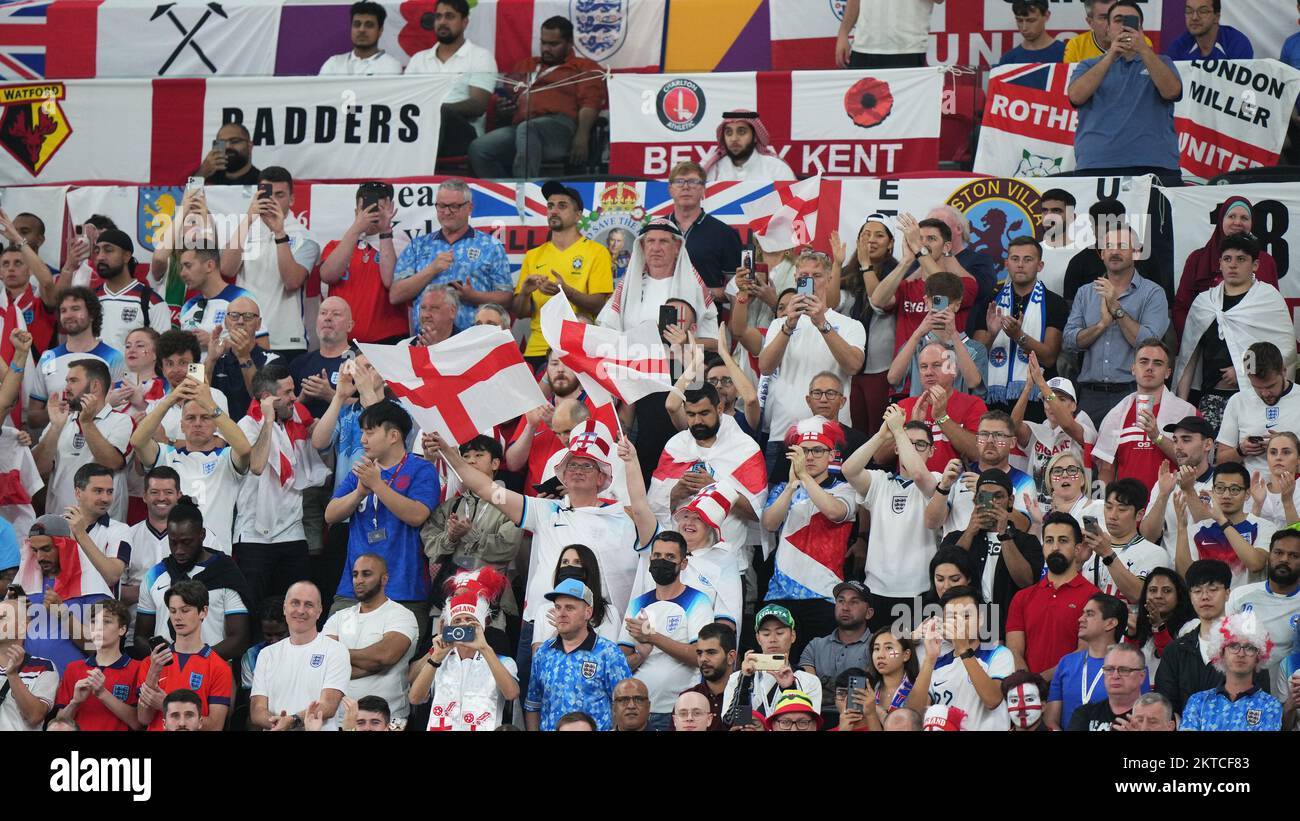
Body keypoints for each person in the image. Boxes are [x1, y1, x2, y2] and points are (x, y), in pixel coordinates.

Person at [428, 427, 656, 694]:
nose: (577, 470)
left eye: (587, 465)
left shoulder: (623, 516)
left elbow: (642, 507)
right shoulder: (545, 510)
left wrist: (631, 463)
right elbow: (487, 489)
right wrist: (449, 454)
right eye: (571, 465)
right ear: (561, 474)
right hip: (541, 625)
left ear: (602, 476)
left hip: (600, 623)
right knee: (534, 702)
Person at [325, 401, 438, 644]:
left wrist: (377, 485)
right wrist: (358, 494)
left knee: (391, 665)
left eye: (370, 432)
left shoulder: (421, 469)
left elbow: (417, 514)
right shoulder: (360, 471)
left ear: (394, 436)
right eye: (362, 432)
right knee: (332, 657)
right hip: (352, 589)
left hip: (403, 588)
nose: (363, 439)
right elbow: (330, 514)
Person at [762, 417, 865, 654]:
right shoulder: (782, 488)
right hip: (780, 592)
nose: (809, 457)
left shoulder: (844, 488)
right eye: (804, 451)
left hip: (824, 594)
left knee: (816, 671)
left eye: (818, 450)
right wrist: (790, 486)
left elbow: (835, 512)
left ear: (832, 455)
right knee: (777, 668)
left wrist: (805, 478)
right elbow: (769, 523)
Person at [758, 248, 865, 463]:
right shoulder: (779, 324)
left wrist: (822, 324)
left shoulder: (850, 325)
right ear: (796, 279)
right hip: (785, 433)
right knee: (782, 495)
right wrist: (789, 325)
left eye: (816, 276)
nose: (811, 282)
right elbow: (765, 367)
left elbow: (854, 365)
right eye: (804, 277)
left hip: (832, 435)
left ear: (829, 278)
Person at [1176, 236, 1292, 431]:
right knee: (1212, 457)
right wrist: (1181, 406)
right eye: (1227, 259)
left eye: (1241, 259)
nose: (1233, 265)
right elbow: (1189, 357)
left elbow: (1283, 349)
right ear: (1219, 263)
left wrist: (1243, 370)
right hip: (1211, 399)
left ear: (1254, 265)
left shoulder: (1267, 298)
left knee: (1253, 455)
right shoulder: (1204, 302)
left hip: (1256, 399)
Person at [1064, 225, 1174, 427]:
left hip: (1134, 392)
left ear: (1136, 252)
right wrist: (1101, 325)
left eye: (1122, 246)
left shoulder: (1153, 293)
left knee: (1132, 456)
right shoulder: (1085, 292)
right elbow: (1069, 342)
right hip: (1090, 395)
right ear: (1102, 253)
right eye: (1109, 246)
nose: (1114, 252)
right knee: (1087, 456)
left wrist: (1115, 307)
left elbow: (1149, 343)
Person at [468, 15, 606, 177]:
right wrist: (504, 108)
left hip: (561, 128)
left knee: (527, 130)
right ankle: (504, 195)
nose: (546, 49)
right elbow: (509, 96)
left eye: (553, 44)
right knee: (479, 148)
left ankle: (524, 193)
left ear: (569, 43)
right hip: (521, 125)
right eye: (543, 43)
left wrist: (582, 137)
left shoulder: (584, 67)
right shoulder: (526, 65)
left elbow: (590, 103)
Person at [235, 363, 323, 617]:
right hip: (254, 536)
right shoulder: (247, 425)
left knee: (298, 611)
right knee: (253, 612)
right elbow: (258, 465)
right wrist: (268, 421)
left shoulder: (296, 421)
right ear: (267, 398)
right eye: (287, 392)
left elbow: (320, 470)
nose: (294, 397)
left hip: (293, 533)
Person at [130, 374, 253, 552]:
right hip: (174, 555)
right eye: (190, 418)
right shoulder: (166, 455)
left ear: (216, 424)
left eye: (205, 418)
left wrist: (210, 404)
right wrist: (170, 399)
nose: (197, 424)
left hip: (215, 556)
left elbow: (244, 449)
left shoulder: (226, 458)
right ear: (181, 425)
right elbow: (137, 441)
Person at [842, 410, 940, 626]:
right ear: (896, 448)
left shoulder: (937, 480)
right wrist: (881, 436)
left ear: (932, 451)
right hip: (876, 589)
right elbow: (848, 469)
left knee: (914, 656)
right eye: (906, 443)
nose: (911, 449)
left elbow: (918, 474)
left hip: (919, 590)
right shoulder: (880, 481)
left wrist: (899, 431)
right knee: (880, 655)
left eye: (920, 445)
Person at [1067, 2, 1183, 181]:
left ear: (1141, 28)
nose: (1124, 26)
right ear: (1108, 29)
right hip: (1097, 165)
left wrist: (1143, 48)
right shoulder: (1088, 65)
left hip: (1156, 166)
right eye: (1118, 20)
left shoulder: (1162, 62)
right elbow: (1076, 96)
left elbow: (1172, 92)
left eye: (1130, 21)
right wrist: (1111, 55)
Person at [647, 382, 765, 555]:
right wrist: (675, 494)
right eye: (691, 414)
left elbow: (758, 513)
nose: (697, 421)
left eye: (704, 413)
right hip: (678, 559)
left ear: (719, 408)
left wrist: (715, 489)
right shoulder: (675, 446)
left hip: (726, 559)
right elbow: (651, 507)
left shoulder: (745, 449)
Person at [618, 532, 715, 731]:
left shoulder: (698, 601)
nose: (662, 562)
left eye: (670, 557)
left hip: (679, 712)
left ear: (684, 563)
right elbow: (620, 662)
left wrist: (653, 637)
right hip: (638, 712)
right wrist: (641, 656)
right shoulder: (638, 603)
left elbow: (700, 656)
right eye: (657, 556)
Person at [134, 501, 252, 664]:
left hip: (213, 672)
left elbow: (240, 638)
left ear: (202, 535)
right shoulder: (154, 575)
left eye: (186, 542)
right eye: (173, 542)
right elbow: (140, 637)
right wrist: (168, 658)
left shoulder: (226, 573)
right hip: (167, 671)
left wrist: (196, 661)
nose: (179, 550)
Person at [391, 179, 512, 337]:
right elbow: (396, 295)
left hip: (474, 342)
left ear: (469, 207)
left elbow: (507, 298)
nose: (447, 212)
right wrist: (432, 269)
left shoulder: (490, 246)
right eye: (442, 206)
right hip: (427, 341)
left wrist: (474, 296)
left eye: (454, 206)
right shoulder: (418, 246)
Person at [223, 167, 321, 361]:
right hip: (244, 338)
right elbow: (227, 269)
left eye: (280, 195)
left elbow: (292, 281)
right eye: (267, 194)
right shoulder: (245, 230)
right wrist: (249, 219)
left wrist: (279, 233)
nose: (273, 200)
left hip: (286, 340)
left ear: (292, 199)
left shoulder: (305, 237)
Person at [422, 435, 522, 619]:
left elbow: (507, 549)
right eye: (465, 456)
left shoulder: (511, 503)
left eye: (478, 455)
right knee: (442, 646)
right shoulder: (451, 505)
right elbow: (430, 548)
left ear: (495, 463)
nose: (471, 461)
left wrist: (470, 534)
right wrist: (450, 537)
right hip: (448, 599)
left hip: (491, 601)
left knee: (487, 646)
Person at [513, 183, 614, 365]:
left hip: (578, 347)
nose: (553, 211)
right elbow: (521, 313)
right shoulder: (533, 255)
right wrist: (525, 292)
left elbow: (599, 306)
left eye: (562, 206)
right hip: (537, 347)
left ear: (578, 215)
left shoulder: (597, 252)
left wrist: (567, 291)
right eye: (550, 206)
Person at [939, 469, 1043, 640]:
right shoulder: (955, 538)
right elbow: (946, 572)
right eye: (984, 497)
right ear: (975, 500)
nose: (992, 503)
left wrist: (1004, 535)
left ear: (1010, 501)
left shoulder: (1027, 542)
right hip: (965, 625)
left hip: (1011, 626)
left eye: (998, 497)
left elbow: (1026, 581)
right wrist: (970, 532)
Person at [969, 237, 1067, 418]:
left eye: (1028, 259)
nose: (1020, 264)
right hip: (992, 398)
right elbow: (973, 358)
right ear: (1007, 263)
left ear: (1040, 266)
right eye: (1015, 259)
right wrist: (991, 335)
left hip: (1036, 399)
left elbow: (1049, 357)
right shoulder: (991, 301)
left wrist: (1019, 336)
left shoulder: (1054, 303)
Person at [1156, 559, 1266, 714]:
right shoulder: (1175, 651)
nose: (1205, 597)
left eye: (1213, 589)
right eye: (1197, 591)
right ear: (1190, 596)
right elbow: (1164, 705)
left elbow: (1260, 705)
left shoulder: (1249, 649)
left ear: (1228, 593)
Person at [524, 578, 631, 731]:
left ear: (588, 612)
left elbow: (625, 707)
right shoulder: (543, 653)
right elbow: (533, 705)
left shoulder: (609, 653)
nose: (561, 614)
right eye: (557, 607)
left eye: (569, 608)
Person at [32, 358, 132, 521]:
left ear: (95, 386)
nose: (66, 387)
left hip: (103, 529)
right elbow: (37, 469)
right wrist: (56, 428)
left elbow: (112, 463)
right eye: (67, 381)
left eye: (73, 381)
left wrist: (86, 422)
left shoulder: (121, 421)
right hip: (59, 524)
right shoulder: (60, 420)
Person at [872, 216, 979, 366]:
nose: (923, 244)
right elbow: (878, 300)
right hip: (906, 379)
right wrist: (906, 261)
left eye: (931, 239)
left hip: (945, 376)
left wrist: (918, 248)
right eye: (919, 239)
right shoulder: (907, 285)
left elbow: (944, 287)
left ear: (946, 247)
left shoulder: (964, 284)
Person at [323, 554, 418, 723]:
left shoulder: (401, 615)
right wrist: (375, 665)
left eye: (366, 574)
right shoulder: (338, 618)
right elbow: (324, 666)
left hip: (390, 718)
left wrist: (339, 654)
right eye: (355, 574)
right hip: (341, 720)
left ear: (384, 579)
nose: (358, 580)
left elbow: (384, 656)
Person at [1091, 339, 1195, 488]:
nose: (1150, 368)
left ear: (1167, 373)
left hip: (1172, 505)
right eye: (1143, 362)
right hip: (1127, 507)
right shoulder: (1115, 415)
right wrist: (1099, 507)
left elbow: (1193, 461)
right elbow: (1105, 469)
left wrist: (1157, 436)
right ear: (1133, 368)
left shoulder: (1187, 412)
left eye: (1157, 363)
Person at [1006, 512, 1099, 676]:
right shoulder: (1022, 597)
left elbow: (1084, 653)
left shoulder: (1093, 597)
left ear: (1077, 549)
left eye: (1063, 540)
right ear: (1043, 547)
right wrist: (1029, 686)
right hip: (1029, 694)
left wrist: (1042, 680)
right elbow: (1014, 651)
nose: (1055, 547)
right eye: (1049, 541)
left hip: (1072, 694)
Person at [1173, 197, 1280, 339]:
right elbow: (1182, 308)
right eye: (1231, 216)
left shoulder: (1265, 261)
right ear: (1221, 220)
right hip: (1208, 350)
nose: (1237, 222)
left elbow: (1274, 310)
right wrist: (1197, 342)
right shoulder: (1198, 259)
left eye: (1244, 218)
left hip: (1254, 347)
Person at [134, 579, 234, 731]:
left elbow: (215, 726)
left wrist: (166, 704)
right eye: (173, 611)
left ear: (203, 612)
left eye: (185, 610)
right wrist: (153, 673)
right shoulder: (151, 663)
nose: (177, 617)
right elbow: (143, 718)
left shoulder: (219, 667)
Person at [251, 581, 351, 731]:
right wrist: (277, 724)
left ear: (319, 611)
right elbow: (257, 710)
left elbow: (328, 705)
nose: (301, 610)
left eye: (309, 605)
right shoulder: (267, 654)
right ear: (285, 608)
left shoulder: (335, 650)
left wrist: (291, 721)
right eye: (295, 603)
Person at [18, 515, 112, 674]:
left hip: (74, 686)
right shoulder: (25, 583)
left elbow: (98, 647)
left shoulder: (91, 585)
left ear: (65, 546)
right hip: (28, 685)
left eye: (46, 549)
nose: (40, 557)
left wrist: (62, 613)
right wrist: (19, 618)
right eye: (35, 550)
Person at [913, 586, 1014, 731]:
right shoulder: (937, 662)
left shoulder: (999, 654)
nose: (958, 622)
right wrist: (929, 660)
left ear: (980, 619)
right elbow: (914, 715)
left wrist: (963, 650)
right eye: (951, 617)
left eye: (966, 616)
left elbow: (993, 700)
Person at [599, 219, 719, 342]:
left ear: (677, 246)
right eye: (650, 241)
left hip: (679, 360)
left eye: (663, 241)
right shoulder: (628, 287)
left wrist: (686, 341)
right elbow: (606, 331)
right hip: (631, 358)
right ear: (642, 246)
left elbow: (715, 342)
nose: (656, 248)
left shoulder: (693, 287)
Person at [319, 183, 409, 345]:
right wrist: (356, 229)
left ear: (389, 211)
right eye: (366, 208)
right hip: (342, 342)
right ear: (356, 212)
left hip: (388, 340)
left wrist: (385, 231)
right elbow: (328, 275)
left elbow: (391, 282)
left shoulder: (401, 244)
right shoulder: (336, 246)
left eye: (379, 208)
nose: (372, 213)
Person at [405, 0, 499, 154]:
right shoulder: (418, 59)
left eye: (449, 16)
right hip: (419, 128)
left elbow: (478, 105)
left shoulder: (480, 56)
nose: (442, 22)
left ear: (464, 22)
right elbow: (405, 99)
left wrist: (436, 110)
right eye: (438, 16)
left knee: (441, 114)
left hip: (464, 134)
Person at [27, 287, 125, 430]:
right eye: (63, 310)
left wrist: (95, 408)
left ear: (92, 314)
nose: (68, 315)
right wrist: (55, 412)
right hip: (56, 447)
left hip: (98, 445)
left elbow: (121, 412)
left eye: (75, 308)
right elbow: (32, 419)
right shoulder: (48, 358)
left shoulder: (114, 356)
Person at [927, 410, 1037, 536]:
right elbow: (932, 523)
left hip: (1001, 555)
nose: (990, 440)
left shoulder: (1024, 481)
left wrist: (987, 494)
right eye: (984, 434)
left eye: (998, 435)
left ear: (1012, 442)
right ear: (977, 439)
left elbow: (1023, 526)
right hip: (957, 554)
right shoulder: (957, 475)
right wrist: (943, 488)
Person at [886, 272, 987, 399]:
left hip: (956, 416)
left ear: (958, 304)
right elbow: (893, 378)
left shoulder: (975, 349)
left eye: (947, 303)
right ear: (926, 301)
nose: (942, 309)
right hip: (921, 415)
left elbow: (973, 382)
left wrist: (954, 335)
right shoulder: (915, 344)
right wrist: (918, 333)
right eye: (937, 302)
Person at [1046, 592, 1135, 729]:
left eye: (1089, 614)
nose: (1080, 619)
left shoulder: (1132, 666)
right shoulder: (1066, 663)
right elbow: (1051, 721)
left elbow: (1137, 716)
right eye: (1083, 613)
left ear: (1110, 623)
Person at [1177, 463, 1274, 589]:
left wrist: (1222, 521)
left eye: (1234, 489)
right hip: (1208, 604)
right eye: (1220, 488)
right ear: (1213, 491)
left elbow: (1256, 564)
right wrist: (1181, 528)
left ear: (1247, 494)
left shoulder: (1263, 526)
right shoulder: (1199, 530)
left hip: (1248, 605)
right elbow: (1186, 576)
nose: (1226, 495)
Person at [1227, 529, 1300, 696]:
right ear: (1269, 555)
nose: (1284, 559)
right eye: (1278, 552)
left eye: (1293, 556)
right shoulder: (1240, 595)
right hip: (1244, 694)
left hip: (1290, 696)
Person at [1181, 611, 1281, 730]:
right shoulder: (1198, 702)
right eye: (1233, 646)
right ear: (1221, 652)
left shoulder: (1270, 705)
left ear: (1258, 656)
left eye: (1249, 648)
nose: (1241, 653)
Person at [721, 605, 823, 722]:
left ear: (793, 636)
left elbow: (806, 725)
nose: (773, 639)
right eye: (766, 634)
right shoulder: (737, 678)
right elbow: (734, 724)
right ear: (758, 639)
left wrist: (789, 688)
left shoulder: (809, 681)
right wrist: (745, 681)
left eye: (779, 633)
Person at [53, 599, 142, 731]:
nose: (98, 627)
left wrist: (102, 693)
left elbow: (138, 723)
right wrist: (75, 702)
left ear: (122, 629)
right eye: (94, 621)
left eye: (107, 621)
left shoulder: (137, 668)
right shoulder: (73, 668)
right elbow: (59, 724)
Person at [1218, 342, 1300, 480]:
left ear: (1284, 371)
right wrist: (1241, 450)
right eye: (1257, 387)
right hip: (1253, 493)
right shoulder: (1238, 401)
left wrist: (1284, 446)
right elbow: (1221, 460)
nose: (1265, 393)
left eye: (1271, 386)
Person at [664, 162, 743, 301]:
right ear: (670, 190)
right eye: (679, 181)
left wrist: (702, 293)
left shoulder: (724, 234)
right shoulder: (654, 230)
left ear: (703, 189)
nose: (686, 187)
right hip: (656, 316)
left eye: (693, 182)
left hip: (706, 319)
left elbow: (739, 290)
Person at [1080, 478, 1167, 603]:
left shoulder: (1155, 554)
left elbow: (1139, 595)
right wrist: (1078, 562)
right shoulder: (1090, 548)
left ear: (1139, 515)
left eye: (1122, 509)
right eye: (1108, 507)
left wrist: (1107, 554)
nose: (1112, 516)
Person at [1011, 366, 1096, 491]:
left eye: (1061, 399)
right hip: (1035, 507)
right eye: (1047, 399)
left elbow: (1067, 424)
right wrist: (1028, 387)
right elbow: (1013, 426)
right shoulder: (1037, 431)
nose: (1052, 405)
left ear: (1073, 405)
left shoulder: (1084, 429)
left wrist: (1041, 383)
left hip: (1070, 507)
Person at [1141, 417, 1215, 557]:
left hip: (1208, 573)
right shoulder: (1165, 483)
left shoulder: (1221, 483)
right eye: (1175, 440)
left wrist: (1189, 491)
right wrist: (1163, 495)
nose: (1178, 447)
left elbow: (1212, 533)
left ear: (1207, 445)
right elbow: (1148, 536)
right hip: (1170, 574)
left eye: (1186, 440)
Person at [88, 229, 171, 353]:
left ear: (126, 256)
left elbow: (162, 353)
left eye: (108, 250)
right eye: (97, 251)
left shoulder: (152, 301)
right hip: (93, 372)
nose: (100, 257)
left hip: (133, 373)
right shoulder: (89, 300)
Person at [203, 294, 279, 420]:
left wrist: (244, 357)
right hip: (221, 434)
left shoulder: (273, 359)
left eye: (248, 316)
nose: (240, 321)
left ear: (258, 324)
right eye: (234, 316)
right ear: (226, 322)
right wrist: (210, 359)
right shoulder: (216, 359)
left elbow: (262, 399)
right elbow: (196, 398)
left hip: (258, 430)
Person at [799, 581, 874, 699]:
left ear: (869, 613)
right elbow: (810, 692)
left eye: (854, 602)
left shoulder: (877, 647)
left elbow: (865, 693)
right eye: (841, 601)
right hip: (818, 715)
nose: (845, 608)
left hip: (859, 714)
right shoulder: (815, 646)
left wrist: (825, 686)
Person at [153, 330, 230, 440]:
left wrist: (166, 442)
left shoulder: (215, 396)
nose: (176, 370)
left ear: (196, 365)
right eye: (169, 364)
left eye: (183, 363)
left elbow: (217, 443)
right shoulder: (155, 408)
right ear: (162, 369)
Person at [288, 297, 352, 421]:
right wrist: (301, 399)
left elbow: (371, 404)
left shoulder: (358, 360)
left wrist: (330, 395)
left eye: (336, 314)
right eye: (323, 313)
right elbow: (283, 408)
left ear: (349, 326)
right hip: (304, 435)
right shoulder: (299, 363)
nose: (328, 318)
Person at [0, 598, 58, 731]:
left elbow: (34, 717)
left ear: (23, 626)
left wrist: (13, 675)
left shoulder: (44, 667)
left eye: (2, 617)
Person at [0, 220, 57, 354]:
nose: (11, 268)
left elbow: (47, 282)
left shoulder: (39, 301)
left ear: (31, 270)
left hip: (37, 372)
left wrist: (18, 238)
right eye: (6, 264)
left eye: (18, 263)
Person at [835, 0, 941, 68]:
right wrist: (843, 33)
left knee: (903, 103)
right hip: (863, 47)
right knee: (860, 102)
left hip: (908, 49)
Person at [1066, 643, 1148, 730]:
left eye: (1124, 670)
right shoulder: (1085, 713)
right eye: (1109, 669)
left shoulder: (1153, 717)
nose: (1115, 676)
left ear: (1141, 676)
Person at [701, 110, 795, 183]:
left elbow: (791, 205)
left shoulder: (777, 168)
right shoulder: (713, 169)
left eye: (741, 132)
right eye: (729, 132)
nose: (734, 138)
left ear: (755, 137)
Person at [318, 1, 402, 75]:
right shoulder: (333, 63)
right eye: (357, 24)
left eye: (369, 25)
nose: (361, 30)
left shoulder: (391, 66)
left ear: (380, 30)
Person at [681, 622, 735, 731]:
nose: (703, 659)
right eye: (699, 653)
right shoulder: (687, 698)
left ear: (731, 657)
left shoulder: (746, 696)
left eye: (711, 652)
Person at [1166, 0, 1253, 59]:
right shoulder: (1179, 46)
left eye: (1203, 11)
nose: (1194, 17)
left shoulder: (1237, 44)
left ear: (1217, 17)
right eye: (1189, 11)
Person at [998, 0, 1066, 64]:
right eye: (1019, 20)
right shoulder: (1008, 60)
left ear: (1046, 15)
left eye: (1031, 21)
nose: (1024, 28)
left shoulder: (1066, 54)